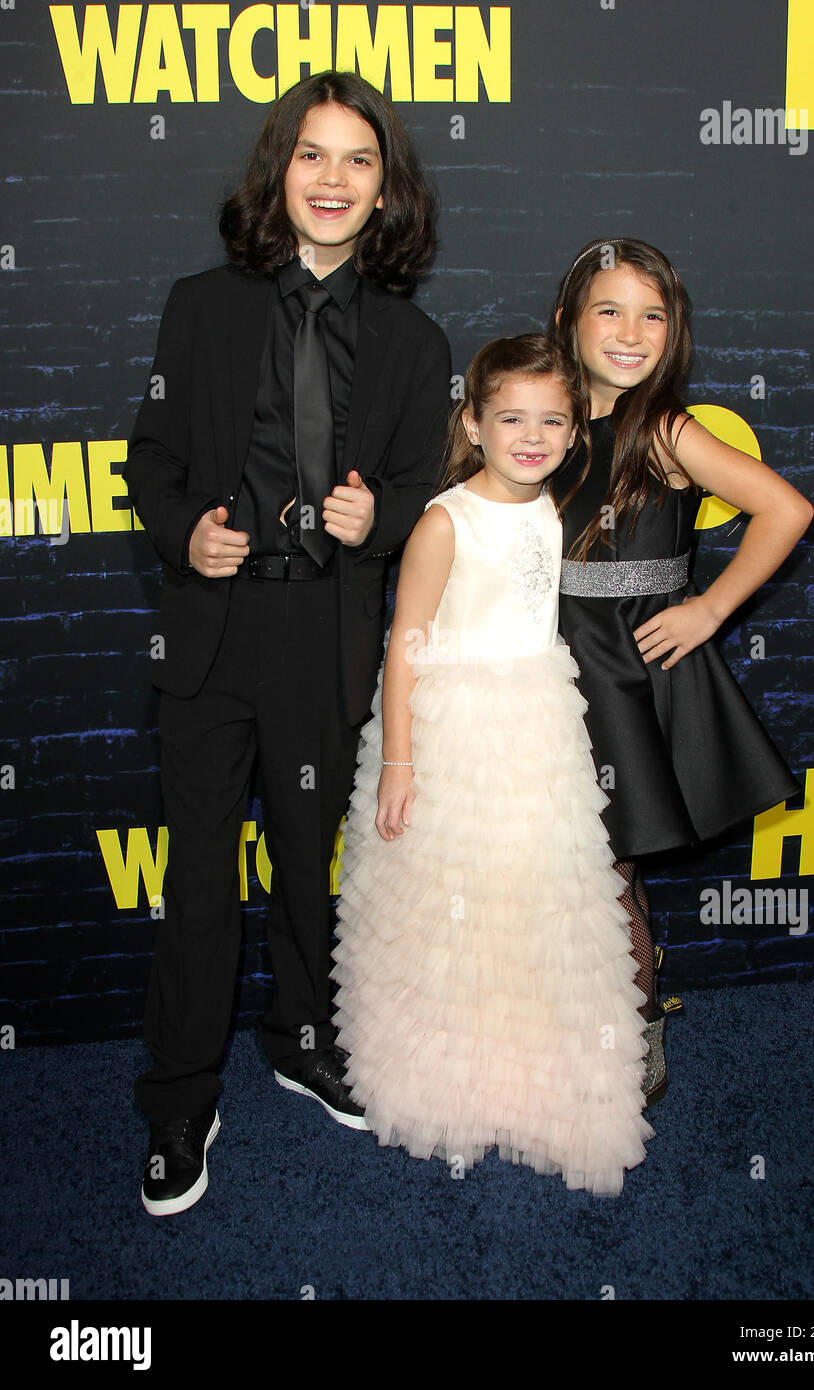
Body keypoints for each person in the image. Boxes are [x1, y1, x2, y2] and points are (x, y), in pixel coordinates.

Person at [124, 71, 451, 1216]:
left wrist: (382, 519)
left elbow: (425, 490)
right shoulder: (198, 308)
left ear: (385, 190)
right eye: (311, 155)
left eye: (358, 160)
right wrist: (188, 532)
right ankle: (177, 1093)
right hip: (215, 636)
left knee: (313, 867)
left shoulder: (414, 340)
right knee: (201, 880)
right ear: (279, 174)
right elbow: (150, 462)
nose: (332, 178)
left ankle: (302, 1037)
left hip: (324, 636)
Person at [331, 335, 654, 1196]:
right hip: (451, 727)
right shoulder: (445, 519)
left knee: (532, 897)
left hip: (542, 721)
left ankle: (528, 1078)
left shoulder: (560, 511)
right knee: (448, 907)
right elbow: (405, 645)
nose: (532, 435)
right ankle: (452, 1080)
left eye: (553, 420)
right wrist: (399, 758)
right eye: (510, 417)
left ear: (574, 431)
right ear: (472, 423)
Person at [549, 237, 814, 1102]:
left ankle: (636, 1024)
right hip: (541, 662)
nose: (631, 333)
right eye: (610, 311)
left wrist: (708, 608)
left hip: (623, 671)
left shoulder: (660, 426)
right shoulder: (540, 417)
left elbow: (785, 508)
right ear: (567, 320)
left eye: (652, 315)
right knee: (551, 858)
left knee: (608, 861)